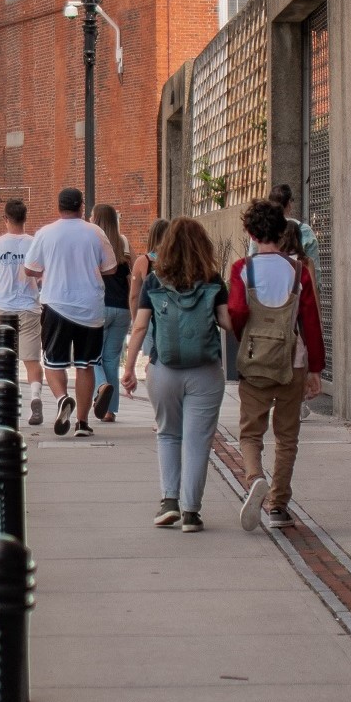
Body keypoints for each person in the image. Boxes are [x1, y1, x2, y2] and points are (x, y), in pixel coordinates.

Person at [226, 197, 328, 530]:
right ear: (282, 230)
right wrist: (316, 369)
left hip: (255, 360)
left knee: (251, 432)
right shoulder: (298, 270)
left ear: (250, 232)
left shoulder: (243, 269)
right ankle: (278, 505)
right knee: (287, 436)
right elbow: (310, 321)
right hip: (292, 360)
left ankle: (255, 477)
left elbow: (238, 312)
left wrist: (245, 336)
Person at [127, 218, 229, 531]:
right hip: (205, 372)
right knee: (198, 441)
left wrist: (129, 366)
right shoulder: (213, 279)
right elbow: (227, 323)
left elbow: (141, 326)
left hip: (164, 369)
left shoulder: (155, 280)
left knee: (169, 433)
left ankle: (169, 500)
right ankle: (191, 513)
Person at [25, 188, 111, 435]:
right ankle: (82, 423)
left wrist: (49, 268)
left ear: (58, 206)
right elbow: (111, 267)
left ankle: (63, 399)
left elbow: (30, 268)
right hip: (90, 306)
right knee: (86, 364)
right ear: (81, 206)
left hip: (56, 304)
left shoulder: (46, 233)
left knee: (53, 361)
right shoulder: (96, 232)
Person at [0, 199, 44, 422]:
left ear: (5, 219)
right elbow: (42, 276)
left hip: (2, 309)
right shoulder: (34, 244)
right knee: (31, 359)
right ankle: (35, 398)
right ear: (25, 218)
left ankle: (4, 404)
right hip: (29, 307)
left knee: (2, 360)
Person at [92, 205, 134, 422]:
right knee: (111, 359)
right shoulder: (123, 241)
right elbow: (133, 276)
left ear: (96, 219)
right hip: (123, 308)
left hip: (99, 306)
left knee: (91, 356)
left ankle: (101, 387)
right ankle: (110, 411)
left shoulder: (92, 241)